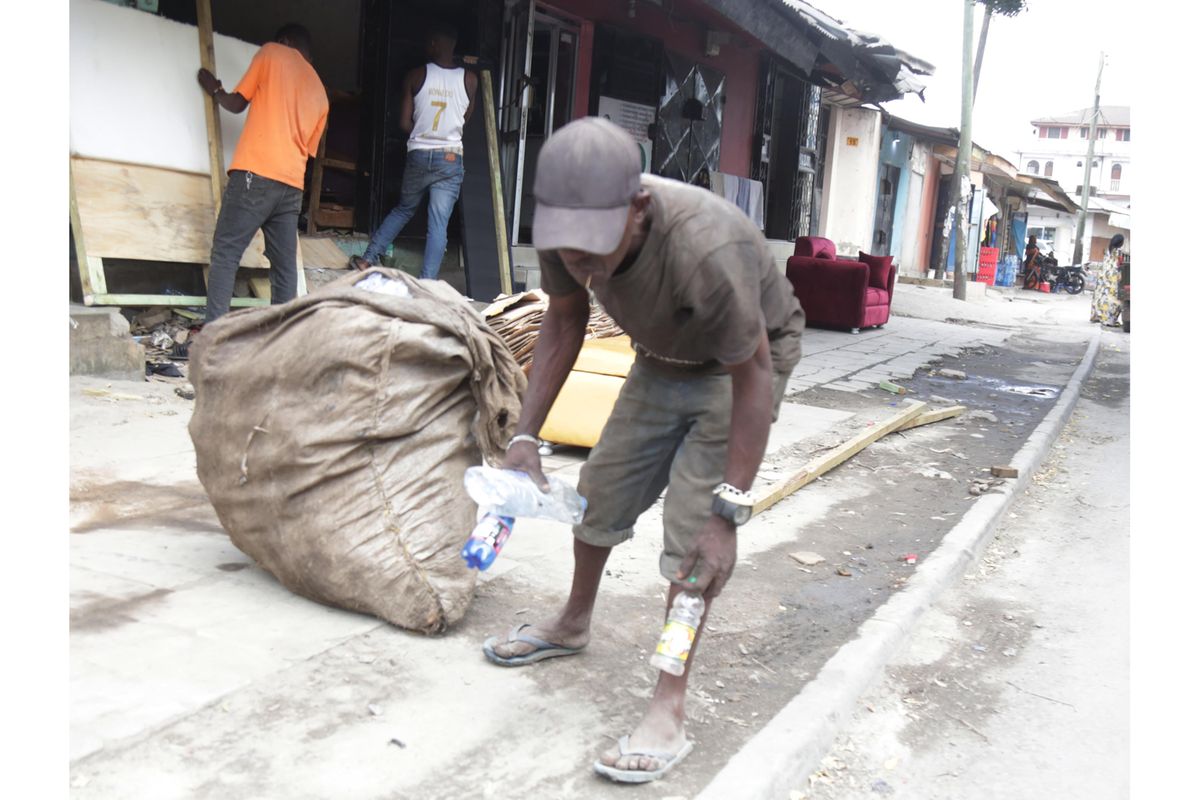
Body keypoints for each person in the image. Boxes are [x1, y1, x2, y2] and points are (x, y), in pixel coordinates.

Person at [480, 118, 805, 784]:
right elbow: (565, 321)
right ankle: (572, 623)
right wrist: (523, 437)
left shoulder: (703, 250)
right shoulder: (566, 233)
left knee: (694, 547)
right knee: (595, 498)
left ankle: (669, 705)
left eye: (598, 249)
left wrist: (728, 513)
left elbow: (753, 375)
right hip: (662, 356)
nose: (588, 266)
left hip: (736, 367)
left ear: (639, 207)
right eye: (574, 256)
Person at [197, 24, 328, 323]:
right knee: (284, 269)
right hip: (292, 186)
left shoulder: (272, 52)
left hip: (255, 174)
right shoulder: (320, 91)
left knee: (226, 253)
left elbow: (236, 103)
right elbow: (309, 150)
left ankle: (214, 334)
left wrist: (215, 89)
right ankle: (280, 340)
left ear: (284, 41)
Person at [349, 21, 478, 278]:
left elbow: (404, 122)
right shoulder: (470, 79)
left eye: (429, 42)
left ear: (434, 44)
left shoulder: (416, 75)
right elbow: (465, 118)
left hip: (419, 154)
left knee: (404, 209)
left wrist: (423, 135)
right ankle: (427, 282)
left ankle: (368, 259)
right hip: (451, 157)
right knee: (438, 223)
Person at [1090, 233, 1125, 326]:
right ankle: (1109, 319)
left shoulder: (1108, 250)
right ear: (1120, 243)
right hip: (1112, 277)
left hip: (1103, 275)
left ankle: (1098, 316)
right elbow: (1120, 265)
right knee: (1114, 299)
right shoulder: (1119, 252)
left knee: (1101, 296)